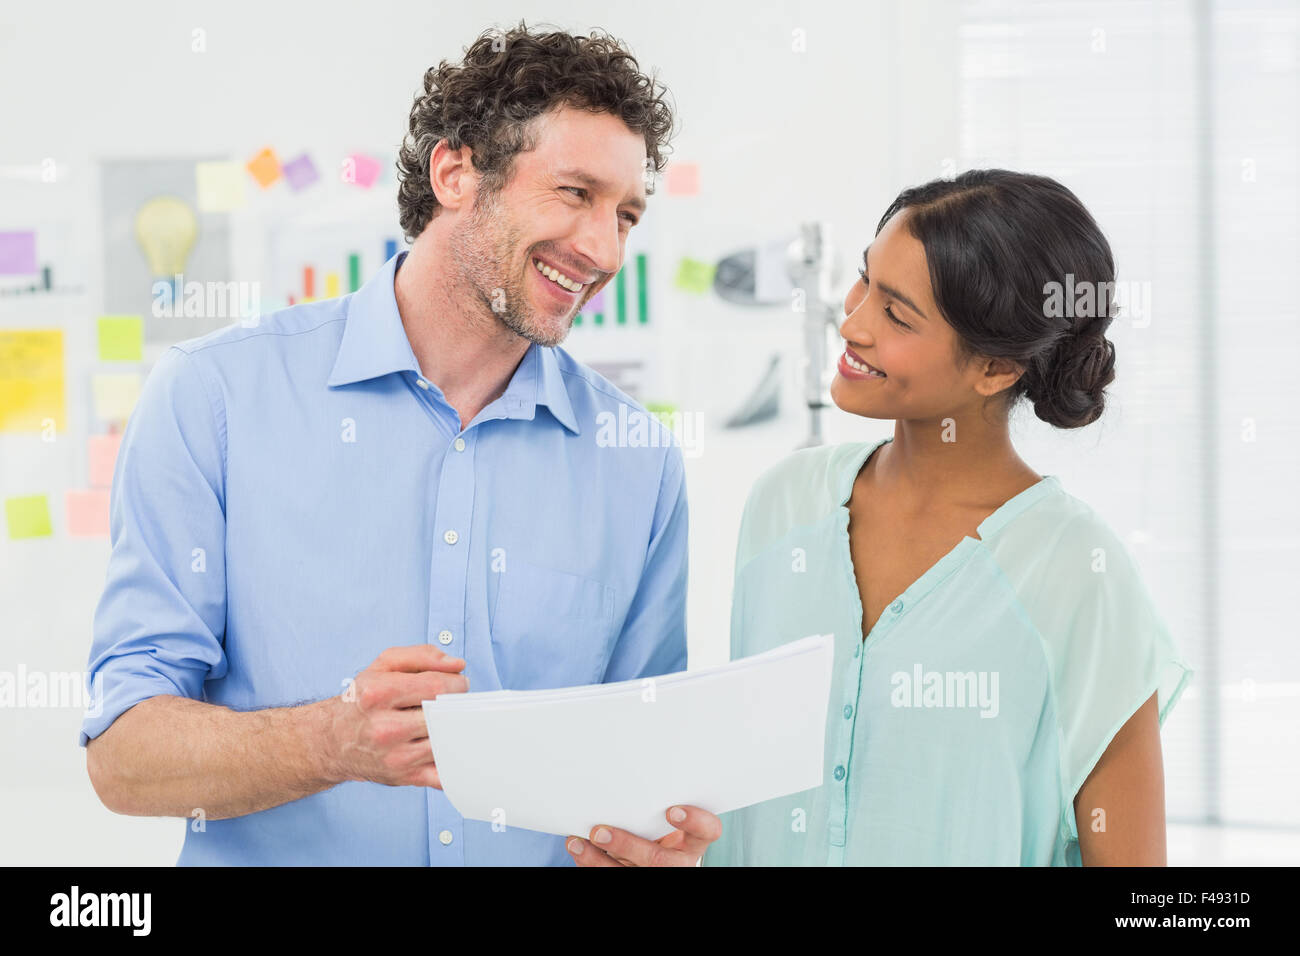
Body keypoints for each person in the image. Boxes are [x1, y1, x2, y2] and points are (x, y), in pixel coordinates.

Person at [81, 22, 698, 866]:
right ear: (455, 173)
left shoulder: (639, 460)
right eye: (573, 193)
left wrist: (653, 843)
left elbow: (639, 765)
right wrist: (328, 742)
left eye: (626, 214)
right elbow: (122, 760)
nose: (603, 248)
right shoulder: (214, 398)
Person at [574, 169, 1194, 868]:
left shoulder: (1077, 571)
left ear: (995, 368)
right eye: (865, 281)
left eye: (898, 315)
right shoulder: (784, 506)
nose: (854, 322)